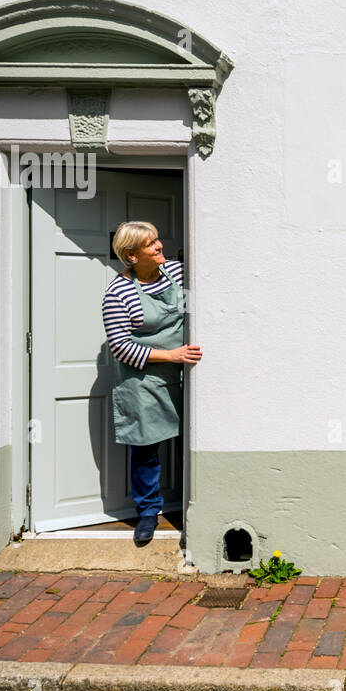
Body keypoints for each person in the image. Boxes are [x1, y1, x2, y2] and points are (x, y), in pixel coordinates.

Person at [102, 221, 202, 544]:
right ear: (131, 255)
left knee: (193, 441)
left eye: (157, 240)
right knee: (146, 450)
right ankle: (148, 511)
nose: (160, 246)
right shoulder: (117, 293)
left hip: (183, 374)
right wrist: (171, 356)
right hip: (143, 382)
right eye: (150, 244)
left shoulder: (177, 272)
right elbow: (120, 347)